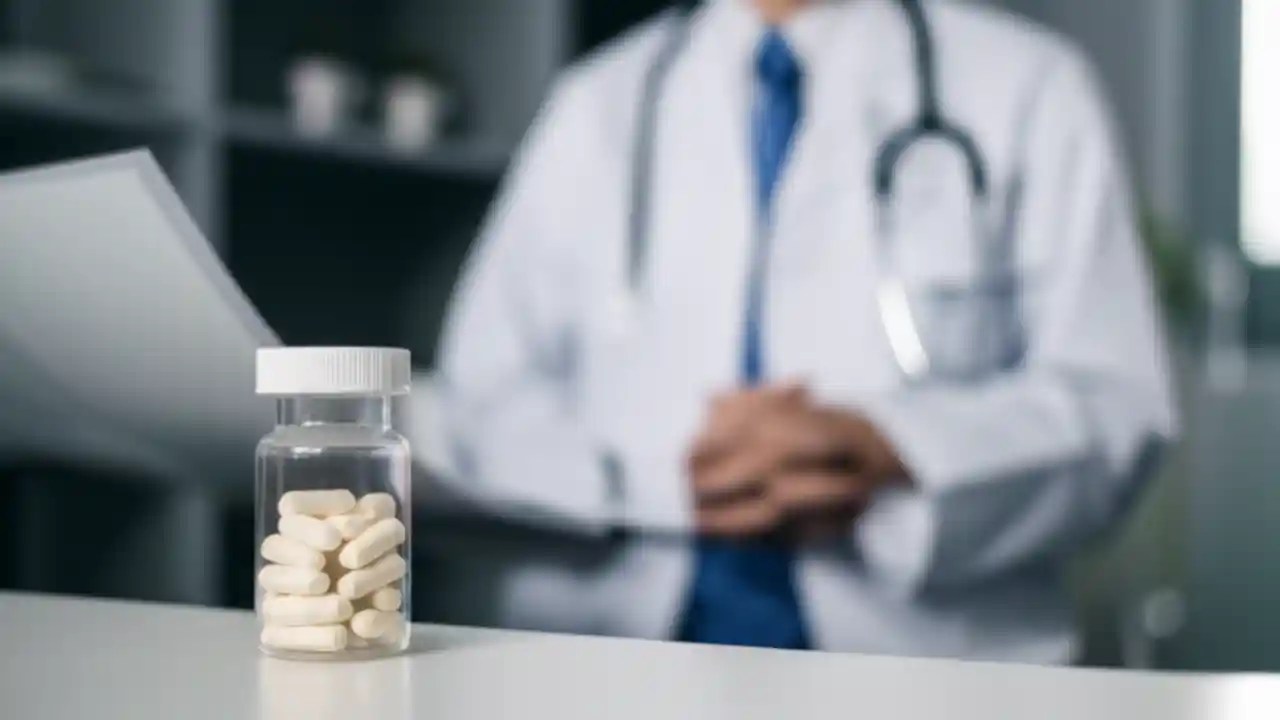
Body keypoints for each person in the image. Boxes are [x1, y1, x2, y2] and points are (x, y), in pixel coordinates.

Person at [432, 0, 1176, 663]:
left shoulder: (1029, 87)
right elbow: (480, 401)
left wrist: (897, 450)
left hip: (935, 672)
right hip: (606, 659)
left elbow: (1116, 404)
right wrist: (659, 481)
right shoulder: (594, 105)